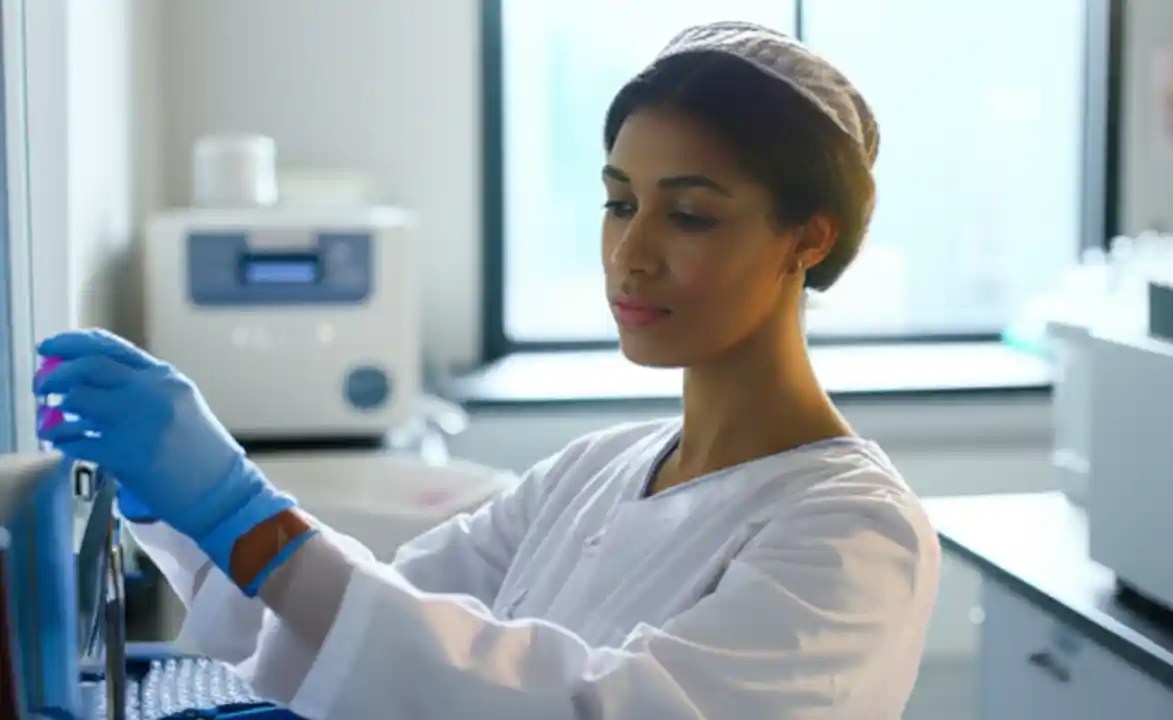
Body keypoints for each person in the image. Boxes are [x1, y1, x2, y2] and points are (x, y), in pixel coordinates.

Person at [34, 21, 939, 720]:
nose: (631, 254)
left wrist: (244, 514)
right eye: (618, 203)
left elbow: (590, 710)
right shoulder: (596, 470)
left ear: (809, 236)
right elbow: (370, 626)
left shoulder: (853, 532)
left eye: (690, 215)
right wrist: (182, 515)